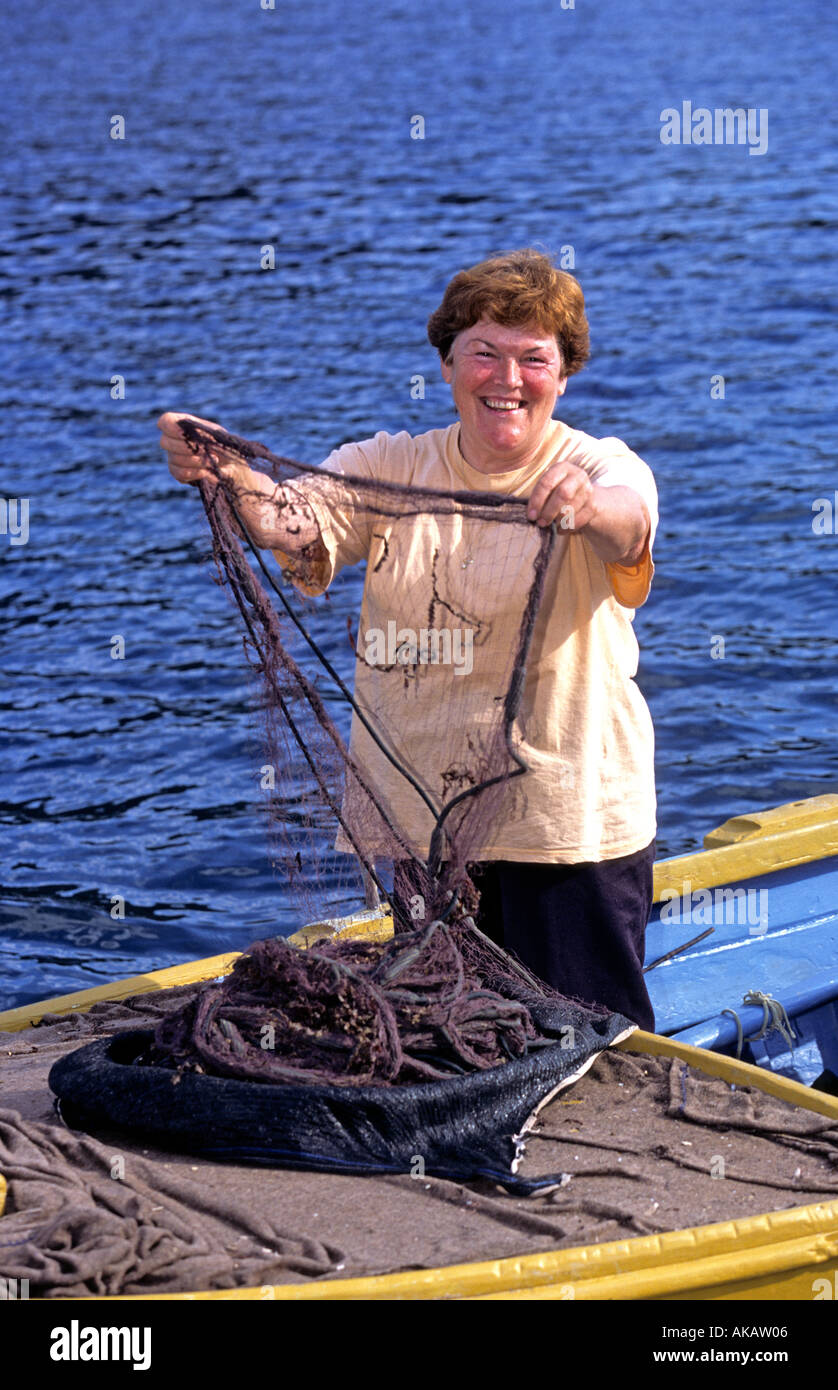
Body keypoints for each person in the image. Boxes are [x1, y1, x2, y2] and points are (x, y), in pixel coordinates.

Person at [158, 248, 658, 1029]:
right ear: (447, 364)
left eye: (534, 359)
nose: (508, 378)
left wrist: (589, 504)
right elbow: (287, 520)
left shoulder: (599, 464)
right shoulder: (386, 465)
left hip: (571, 830)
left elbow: (631, 524)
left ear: (564, 376)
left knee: (593, 1050)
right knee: (449, 1038)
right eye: (484, 354)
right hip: (423, 831)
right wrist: (226, 470)